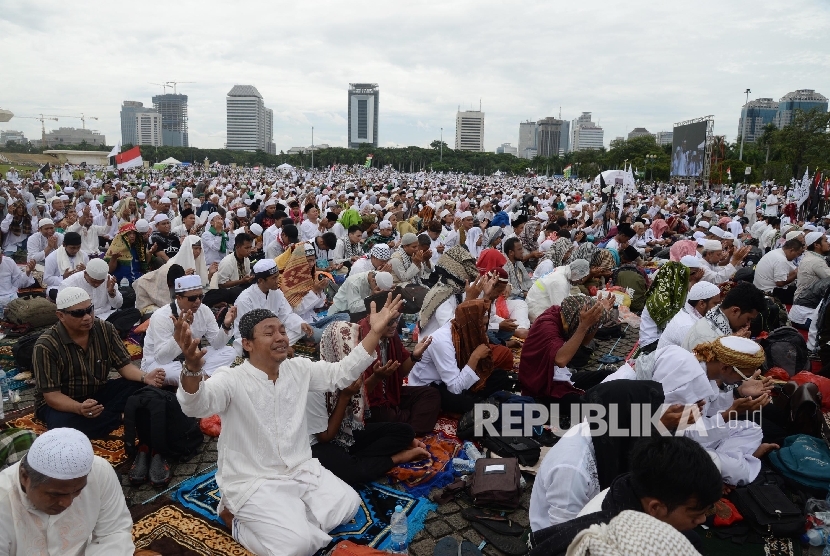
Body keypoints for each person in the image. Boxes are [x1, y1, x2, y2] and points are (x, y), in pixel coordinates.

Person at [172, 294, 405, 556]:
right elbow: (196, 405)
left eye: (282, 330)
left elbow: (342, 373)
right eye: (269, 333)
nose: (281, 337)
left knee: (348, 504)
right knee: (295, 547)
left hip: (299, 468)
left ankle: (291, 520)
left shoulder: (298, 369)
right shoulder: (231, 378)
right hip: (254, 478)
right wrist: (191, 368)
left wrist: (373, 332)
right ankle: (234, 520)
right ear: (247, 343)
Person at [603, 340, 775, 486]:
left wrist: (737, 393)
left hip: (653, 425)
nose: (742, 381)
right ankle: (738, 459)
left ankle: (733, 457)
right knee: (737, 471)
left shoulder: (698, 366)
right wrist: (729, 414)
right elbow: (674, 431)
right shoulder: (689, 379)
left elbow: (708, 406)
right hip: (632, 435)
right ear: (726, 368)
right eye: (744, 377)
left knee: (751, 427)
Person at [528, 436, 723, 556]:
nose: (702, 519)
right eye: (694, 514)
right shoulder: (610, 542)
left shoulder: (631, 487)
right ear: (655, 508)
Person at [529, 381, 672, 530]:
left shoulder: (603, 434)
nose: (648, 432)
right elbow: (562, 534)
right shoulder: (572, 469)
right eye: (646, 425)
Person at [307, 321, 430, 486]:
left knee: (405, 431)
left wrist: (377, 377)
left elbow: (358, 399)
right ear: (335, 348)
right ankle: (396, 457)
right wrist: (344, 396)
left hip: (344, 429)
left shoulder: (353, 366)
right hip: (318, 442)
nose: (353, 354)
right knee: (353, 473)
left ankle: (358, 458)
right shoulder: (315, 380)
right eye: (349, 349)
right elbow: (325, 437)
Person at [32, 287, 165, 438]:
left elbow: (124, 366)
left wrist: (145, 377)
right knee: (62, 427)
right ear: (61, 316)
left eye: (90, 310)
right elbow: (52, 396)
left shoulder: (105, 328)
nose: (87, 317)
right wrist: (79, 408)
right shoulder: (46, 345)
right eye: (78, 313)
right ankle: (121, 416)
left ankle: (104, 417)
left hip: (97, 392)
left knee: (143, 386)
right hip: (63, 402)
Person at [0, 428, 134, 555]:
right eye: (55, 494)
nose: (67, 503)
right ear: (25, 478)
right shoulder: (3, 499)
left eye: (77, 491)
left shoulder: (99, 472)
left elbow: (113, 533)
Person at [407, 299, 514, 413]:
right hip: (430, 386)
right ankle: (478, 403)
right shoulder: (442, 341)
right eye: (481, 325)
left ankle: (480, 401)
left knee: (499, 376)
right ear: (471, 322)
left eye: (486, 325)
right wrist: (475, 357)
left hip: (454, 377)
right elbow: (454, 388)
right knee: (463, 402)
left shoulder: (465, 329)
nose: (484, 329)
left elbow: (483, 365)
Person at [356, 298, 440, 434]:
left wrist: (414, 356)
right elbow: (358, 394)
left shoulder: (391, 335)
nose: (395, 325)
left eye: (397, 319)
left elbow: (401, 372)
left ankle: (409, 432)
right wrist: (377, 377)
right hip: (370, 403)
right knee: (389, 416)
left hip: (391, 393)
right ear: (373, 319)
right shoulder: (360, 338)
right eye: (390, 321)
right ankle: (407, 429)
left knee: (431, 394)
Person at [141, 275, 237, 386]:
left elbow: (217, 344)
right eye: (192, 298)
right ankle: (203, 380)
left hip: (191, 358)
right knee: (164, 373)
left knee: (229, 352)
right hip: (162, 362)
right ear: (179, 298)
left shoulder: (204, 311)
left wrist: (226, 325)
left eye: (201, 297)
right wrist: (179, 333)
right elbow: (162, 358)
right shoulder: (161, 317)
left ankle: (197, 379)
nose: (197, 302)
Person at [520, 295, 616, 403]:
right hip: (540, 387)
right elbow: (561, 360)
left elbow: (585, 342)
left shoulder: (563, 314)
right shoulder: (547, 325)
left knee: (607, 375)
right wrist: (583, 326)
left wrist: (597, 318)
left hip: (557, 377)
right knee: (590, 403)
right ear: (575, 320)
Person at [233, 258, 313, 350]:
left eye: (278, 276)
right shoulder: (245, 300)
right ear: (261, 281)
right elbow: (244, 332)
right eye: (274, 278)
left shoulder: (276, 292)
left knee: (300, 329)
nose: (278, 280)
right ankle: (277, 348)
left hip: (272, 335)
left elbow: (286, 315)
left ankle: (277, 347)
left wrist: (300, 323)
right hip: (254, 340)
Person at [281, 242, 351, 338]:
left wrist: (319, 290)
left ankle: (327, 334)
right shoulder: (287, 281)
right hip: (301, 325)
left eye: (313, 260)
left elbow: (320, 304)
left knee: (345, 316)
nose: (312, 264)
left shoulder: (311, 275)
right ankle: (325, 335)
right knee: (320, 334)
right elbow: (297, 311)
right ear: (299, 261)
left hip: (315, 319)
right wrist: (314, 291)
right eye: (309, 260)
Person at [682, 281, 766, 350]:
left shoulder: (714, 318)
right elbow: (718, 369)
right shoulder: (706, 338)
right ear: (735, 311)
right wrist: (734, 343)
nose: (748, 325)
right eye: (748, 319)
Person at [657, 281, 721, 349]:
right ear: (701, 304)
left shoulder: (691, 313)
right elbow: (702, 355)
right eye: (715, 304)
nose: (718, 307)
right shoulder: (687, 326)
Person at [526, 259, 591, 322]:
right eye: (581, 279)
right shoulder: (559, 281)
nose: (580, 281)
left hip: (536, 302)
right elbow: (560, 309)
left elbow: (566, 296)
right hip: (536, 310)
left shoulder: (563, 270)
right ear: (575, 273)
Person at [59, 258, 123, 319]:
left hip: (107, 315)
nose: (97, 285)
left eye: (100, 282)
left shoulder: (109, 280)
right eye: (94, 281)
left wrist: (111, 293)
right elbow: (63, 310)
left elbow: (118, 305)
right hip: (82, 318)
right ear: (85, 273)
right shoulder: (69, 284)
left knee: (131, 314)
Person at [791, 231, 830, 327]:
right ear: (816, 245)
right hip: (806, 312)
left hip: (800, 306)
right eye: (825, 241)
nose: (828, 243)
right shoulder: (816, 262)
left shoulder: (810, 256)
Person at [753, 237, 804, 304]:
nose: (797, 257)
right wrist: (796, 274)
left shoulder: (777, 252)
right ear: (791, 250)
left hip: (760, 287)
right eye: (797, 254)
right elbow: (780, 283)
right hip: (768, 291)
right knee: (802, 295)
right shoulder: (781, 259)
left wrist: (794, 273)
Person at [208, 232, 254, 302]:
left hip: (242, 288)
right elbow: (221, 285)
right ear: (237, 247)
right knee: (238, 291)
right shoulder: (227, 262)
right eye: (246, 248)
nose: (249, 250)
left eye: (250, 247)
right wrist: (241, 281)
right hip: (229, 292)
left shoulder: (246, 259)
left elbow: (246, 275)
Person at [330, 270, 394, 316]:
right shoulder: (353, 283)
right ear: (373, 281)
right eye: (378, 289)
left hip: (362, 309)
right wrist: (371, 297)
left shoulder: (380, 276)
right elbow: (353, 308)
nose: (379, 291)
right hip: (341, 311)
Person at [43, 231, 89, 295]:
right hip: (58, 287)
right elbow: (47, 279)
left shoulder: (84, 255)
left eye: (78, 247)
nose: (75, 250)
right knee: (59, 295)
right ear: (64, 245)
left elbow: (89, 277)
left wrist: (85, 272)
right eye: (72, 248)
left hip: (79, 286)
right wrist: (63, 277)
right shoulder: (52, 257)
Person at [610, 246, 649, 313]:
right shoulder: (640, 271)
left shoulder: (616, 271)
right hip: (637, 307)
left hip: (619, 304)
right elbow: (647, 288)